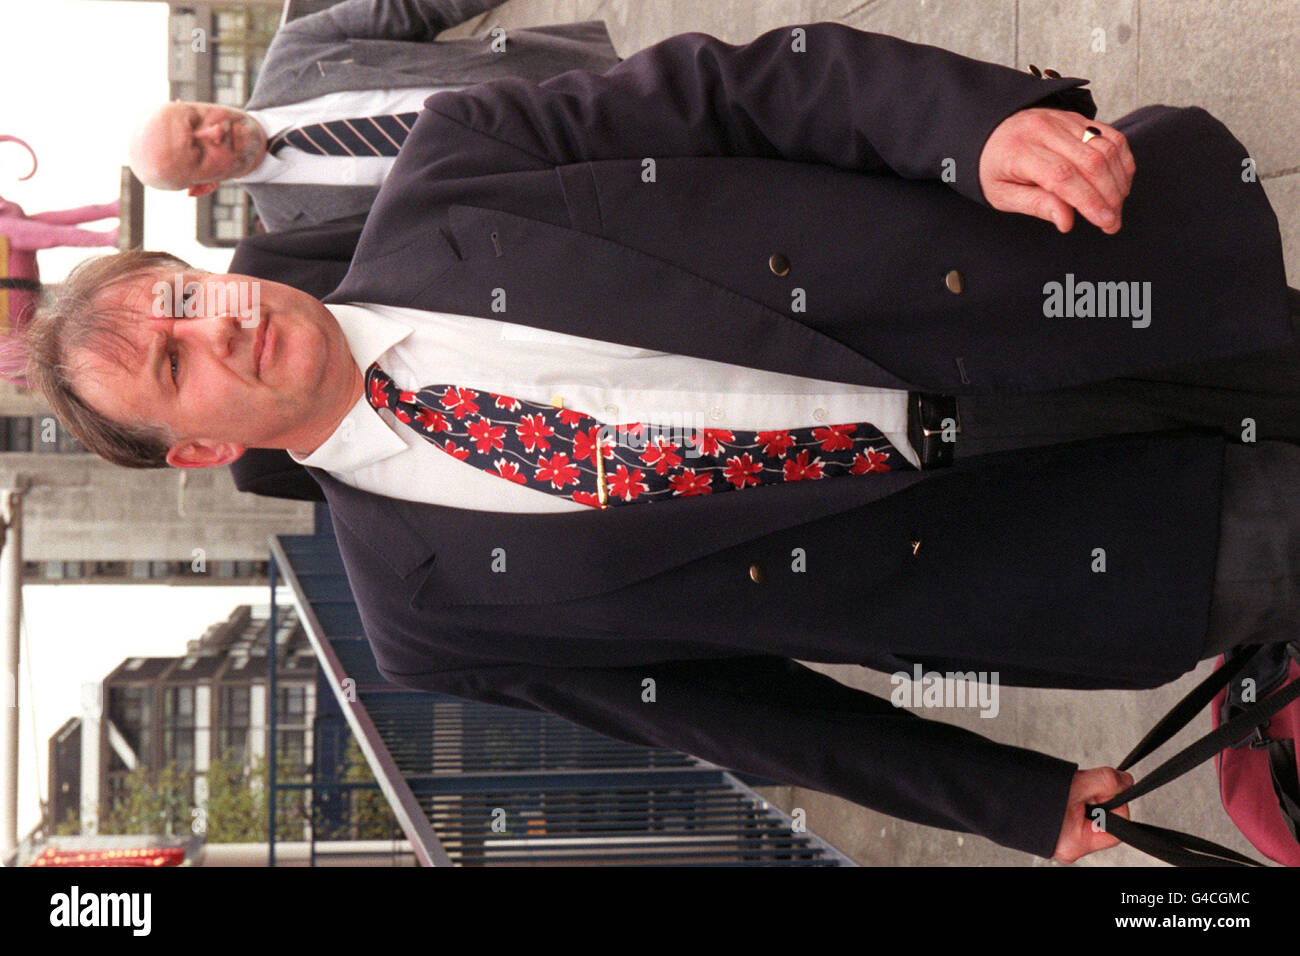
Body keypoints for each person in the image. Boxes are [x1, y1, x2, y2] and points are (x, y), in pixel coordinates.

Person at [28, 23, 1300, 863]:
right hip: (1070, 548)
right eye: (174, 359)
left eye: (182, 294)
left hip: (1061, 305)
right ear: (191, 452)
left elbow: (744, 88)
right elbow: (730, 713)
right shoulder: (428, 622)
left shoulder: (459, 162)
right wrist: (1007, 801)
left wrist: (967, 130)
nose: (222, 320)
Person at [126, 0, 619, 232]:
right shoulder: (297, 231)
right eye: (197, 149)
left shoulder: (296, 49)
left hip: (576, 81)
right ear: (202, 189)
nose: (215, 129)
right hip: (573, 184)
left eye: (195, 116)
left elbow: (418, 8)